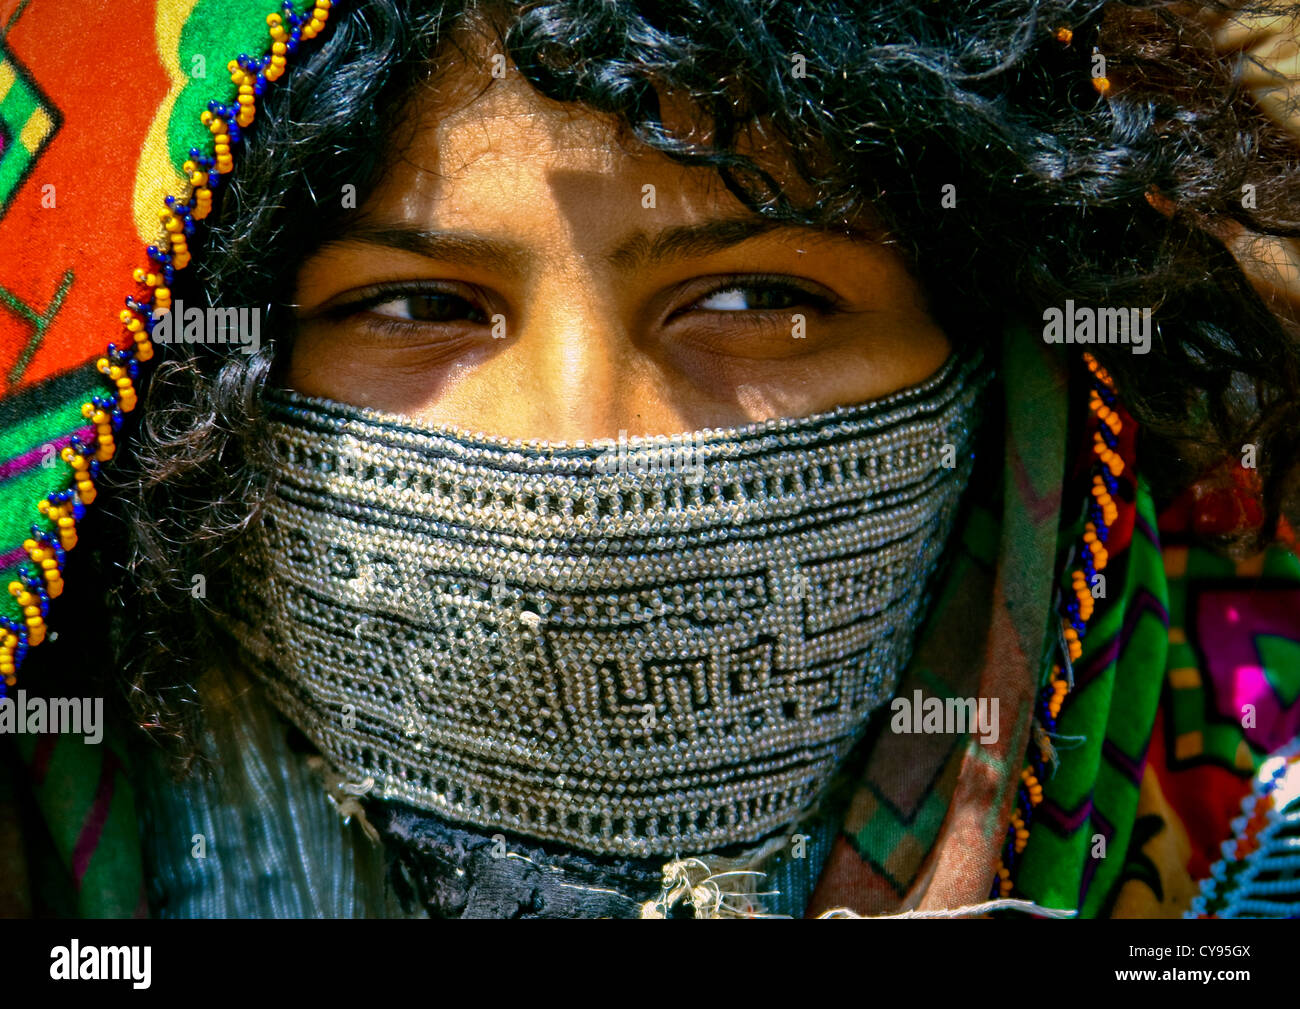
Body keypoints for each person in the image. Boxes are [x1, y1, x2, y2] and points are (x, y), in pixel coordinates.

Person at [2, 0, 1299, 919]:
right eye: (414, 306)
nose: (580, 458)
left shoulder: (1255, 829)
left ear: (1006, 368)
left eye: (755, 303)